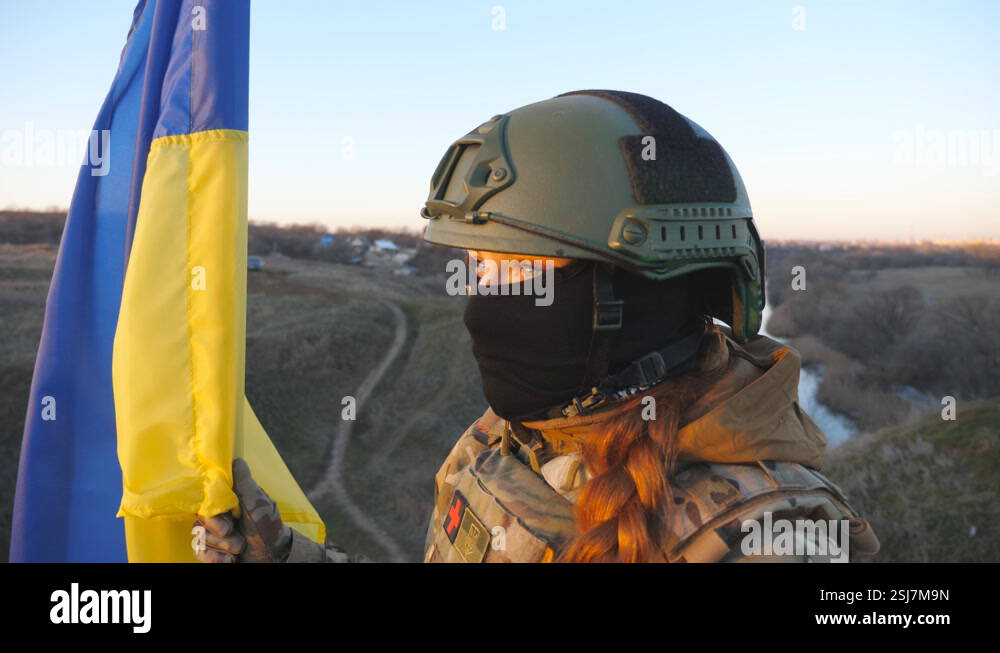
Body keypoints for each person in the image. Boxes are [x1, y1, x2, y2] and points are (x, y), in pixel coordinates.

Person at [194, 90, 880, 563]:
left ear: (628, 291)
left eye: (509, 268)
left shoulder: (776, 533)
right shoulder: (508, 433)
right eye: (475, 266)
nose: (478, 296)